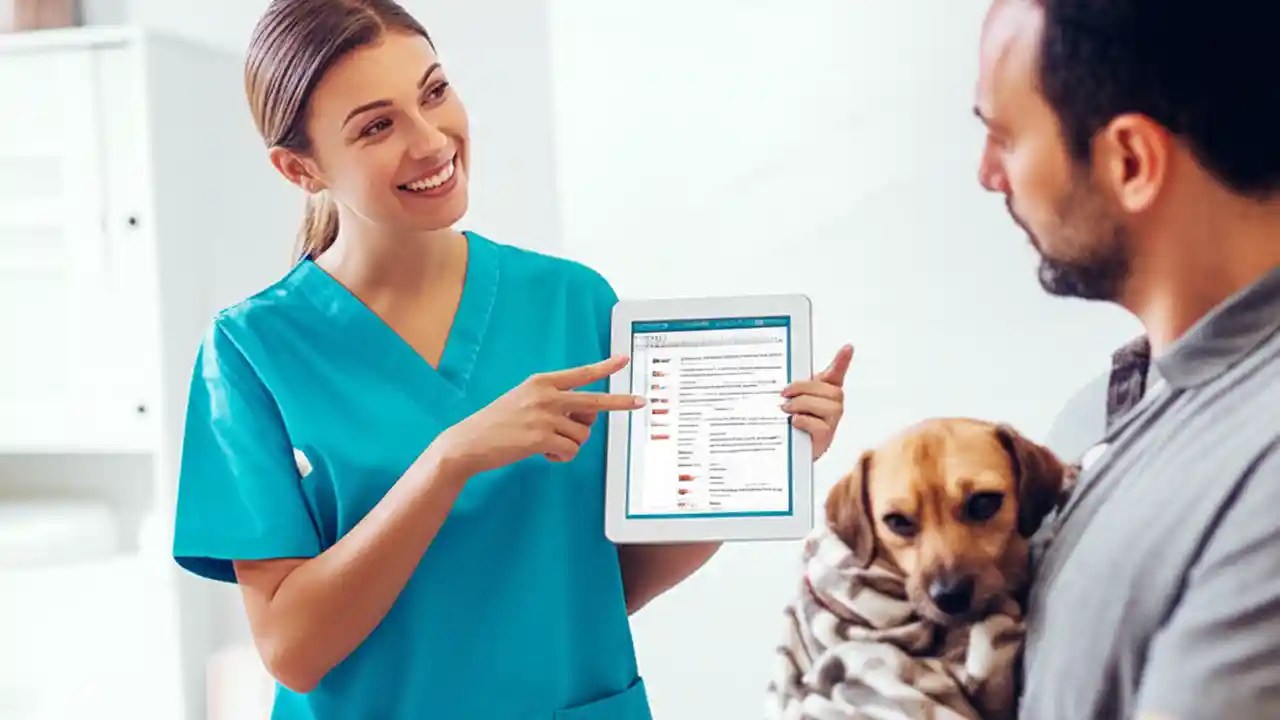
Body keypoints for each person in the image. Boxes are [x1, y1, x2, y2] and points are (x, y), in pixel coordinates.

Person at [169, 1, 852, 718]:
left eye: (433, 92)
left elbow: (607, 585)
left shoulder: (573, 302)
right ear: (298, 167)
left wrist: (757, 466)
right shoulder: (253, 352)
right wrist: (448, 461)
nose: (431, 140)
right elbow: (293, 651)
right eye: (377, 126)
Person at [972, 0, 1280, 718]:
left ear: (1130, 161)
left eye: (1005, 138)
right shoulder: (1096, 418)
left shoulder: (1262, 483)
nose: (988, 174)